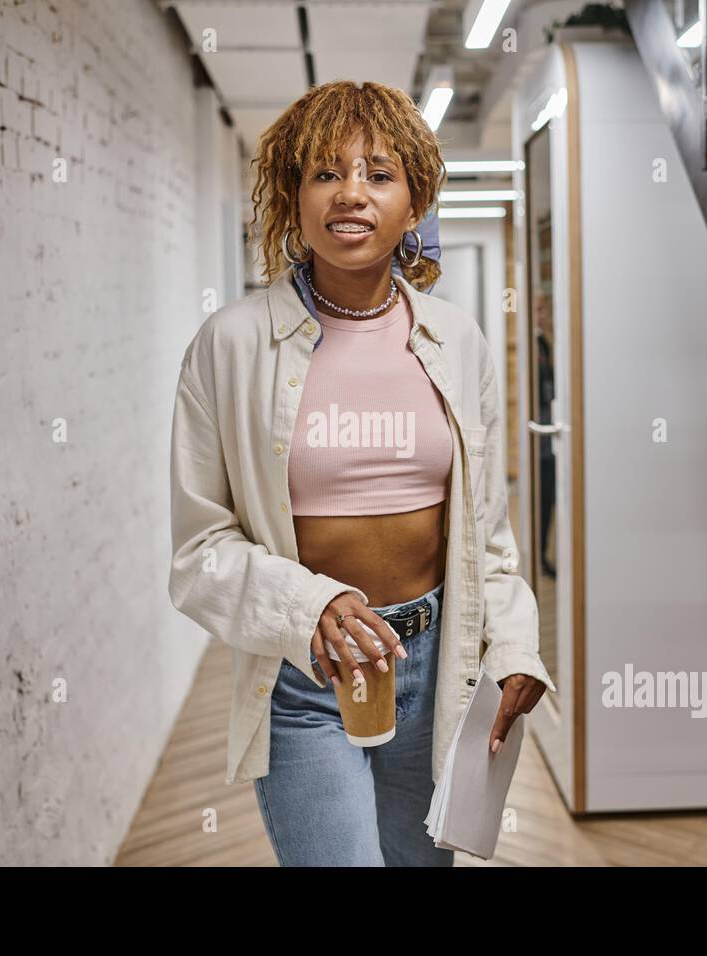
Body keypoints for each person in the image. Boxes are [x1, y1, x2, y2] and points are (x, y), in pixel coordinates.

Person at [168, 79, 557, 866]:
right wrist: (310, 606)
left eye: (379, 174)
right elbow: (199, 550)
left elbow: (487, 535)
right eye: (325, 172)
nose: (352, 194)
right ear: (294, 194)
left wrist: (514, 644)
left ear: (414, 205)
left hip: (438, 665)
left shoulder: (456, 340)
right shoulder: (232, 344)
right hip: (306, 682)